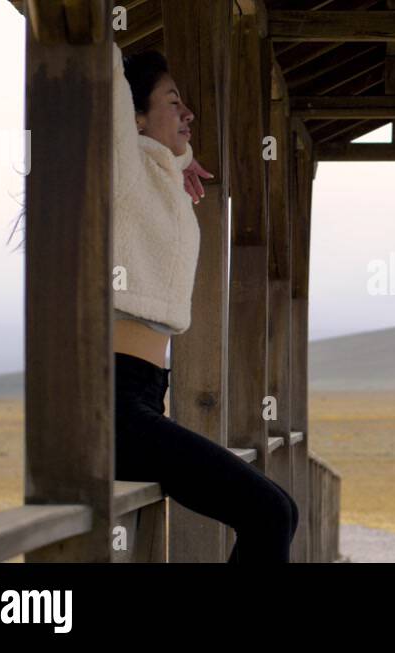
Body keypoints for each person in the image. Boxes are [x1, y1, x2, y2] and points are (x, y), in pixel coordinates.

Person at [111, 41, 298, 564]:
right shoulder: (122, 171)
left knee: (282, 510)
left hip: (145, 395)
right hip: (112, 401)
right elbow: (104, 72)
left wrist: (182, 157)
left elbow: (167, 155)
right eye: (173, 101)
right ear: (134, 119)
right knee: (270, 514)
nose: (188, 112)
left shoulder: (156, 178)